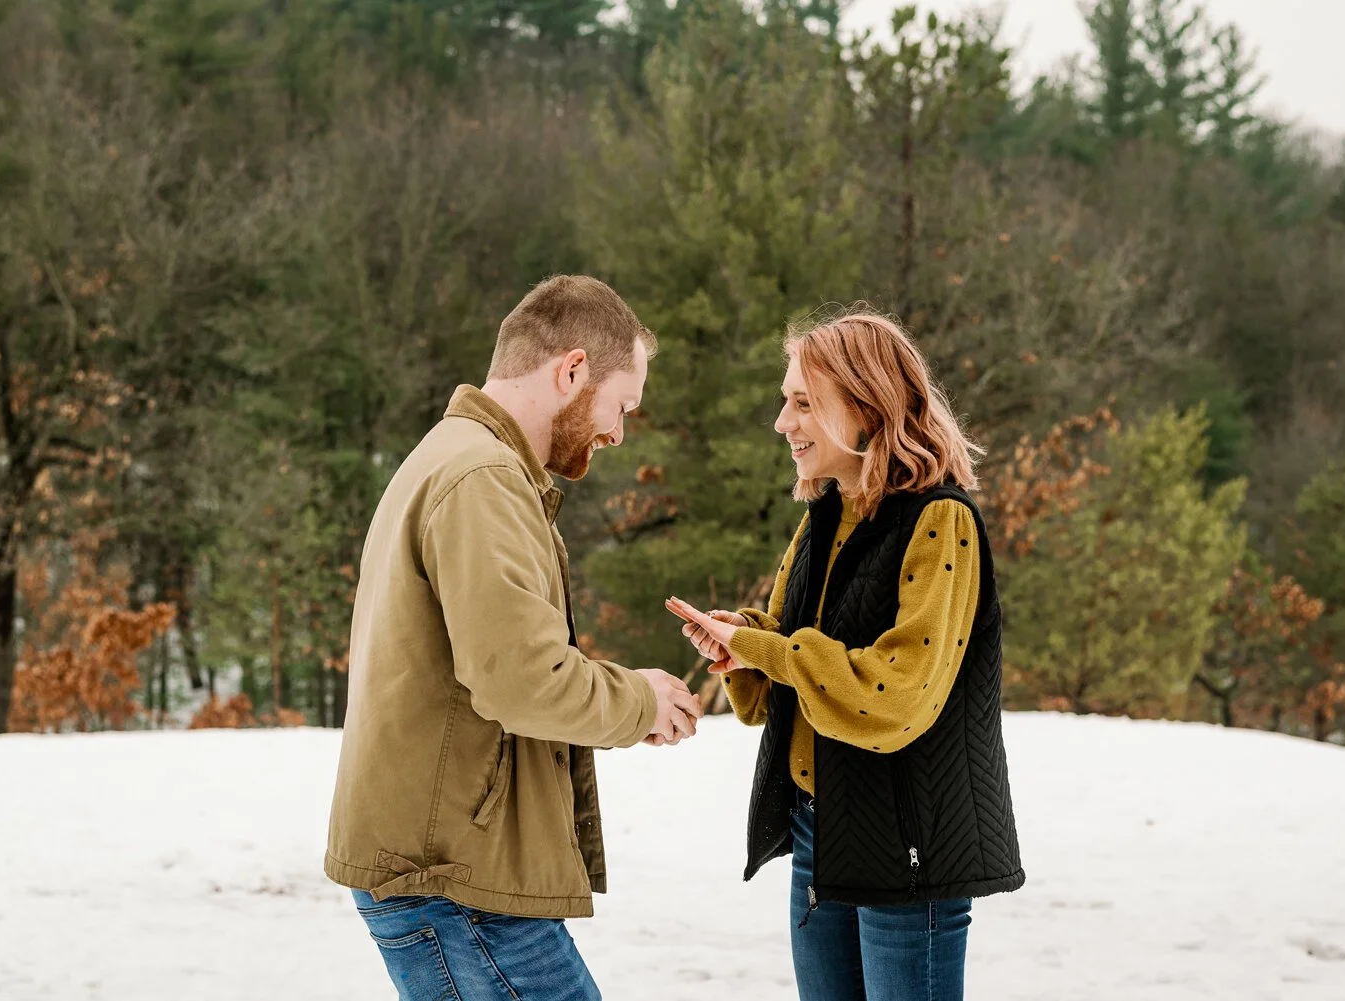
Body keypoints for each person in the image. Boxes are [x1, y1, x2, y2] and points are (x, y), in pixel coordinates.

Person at [326, 275, 704, 1001]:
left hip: (443, 865)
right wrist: (641, 701)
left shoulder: (455, 456)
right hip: (457, 876)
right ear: (572, 370)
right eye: (622, 405)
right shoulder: (482, 477)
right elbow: (521, 681)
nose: (618, 433)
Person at [668, 310, 1024, 1001]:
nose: (783, 422)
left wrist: (765, 648)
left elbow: (898, 691)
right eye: (786, 400)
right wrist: (742, 641)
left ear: (866, 407)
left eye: (804, 402)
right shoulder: (824, 517)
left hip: (908, 853)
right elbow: (789, 650)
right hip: (821, 833)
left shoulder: (940, 520)